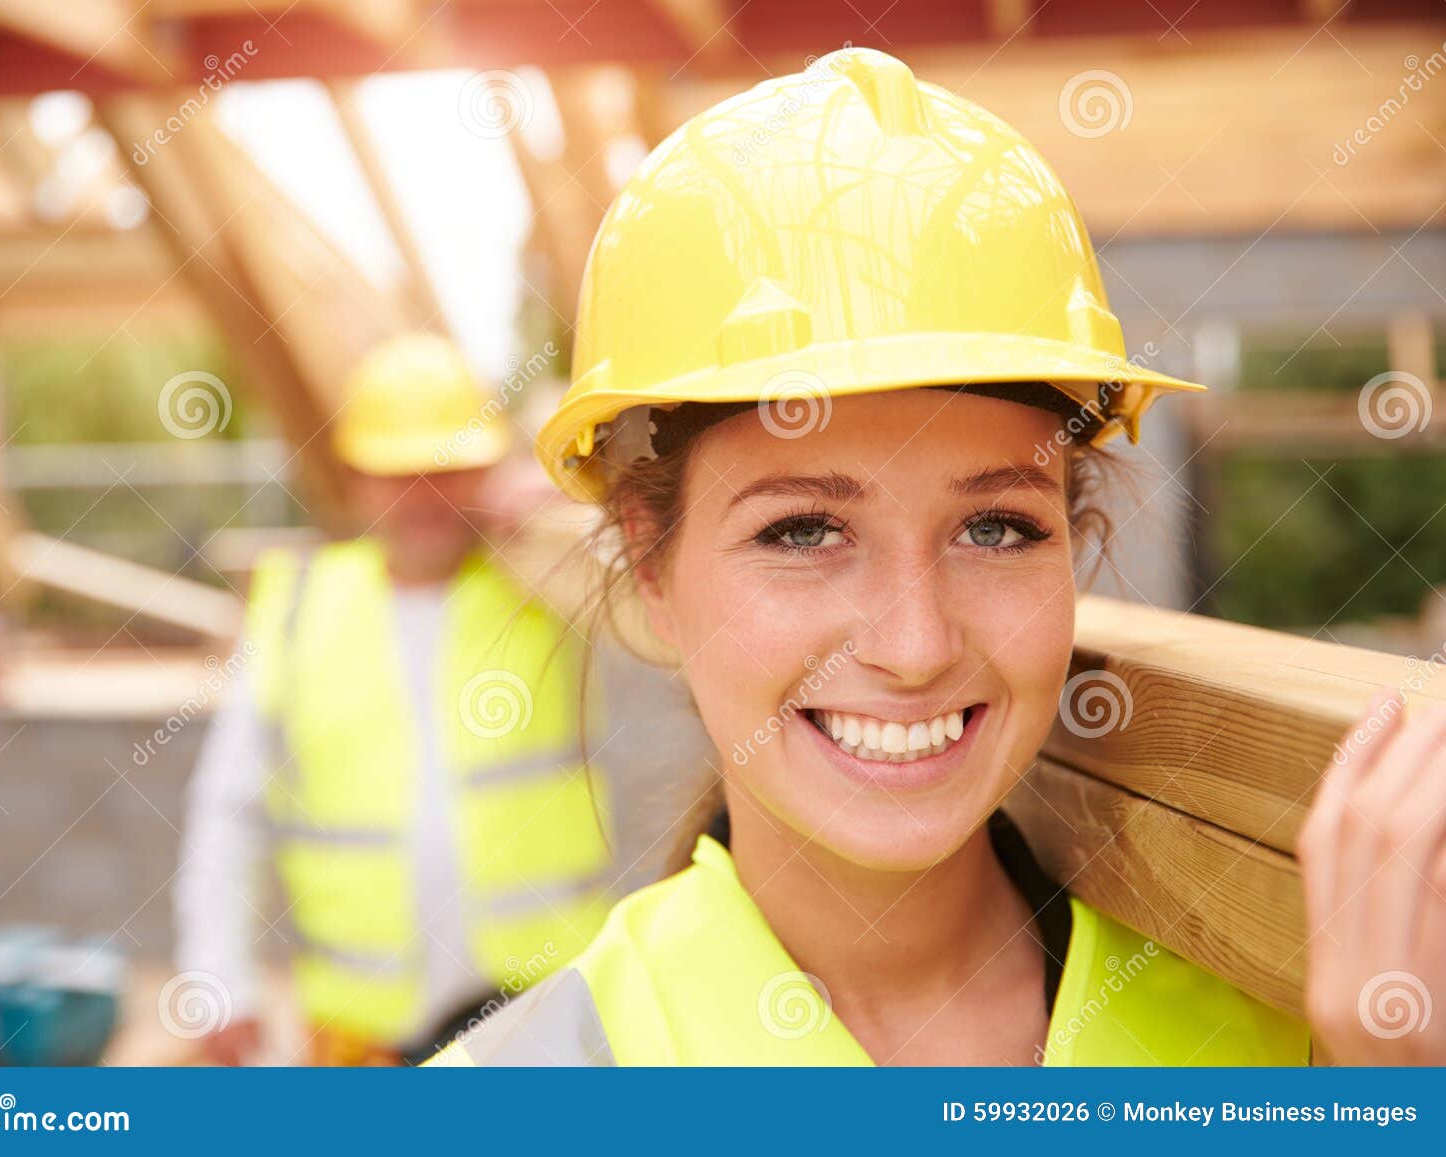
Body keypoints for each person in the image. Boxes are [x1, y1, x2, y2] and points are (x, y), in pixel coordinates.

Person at [431, 48, 1446, 1066]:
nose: (914, 646)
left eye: (994, 527)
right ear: (651, 564)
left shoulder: (1293, 1044)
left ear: (1075, 534)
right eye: (802, 531)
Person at [174, 334, 618, 1066]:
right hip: (361, 1033)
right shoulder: (297, 603)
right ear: (353, 478)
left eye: (449, 469)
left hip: (542, 1021)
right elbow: (230, 804)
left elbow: (655, 582)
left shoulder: (545, 582)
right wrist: (217, 971)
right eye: (399, 472)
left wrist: (571, 502)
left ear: (488, 470)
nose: (426, 496)